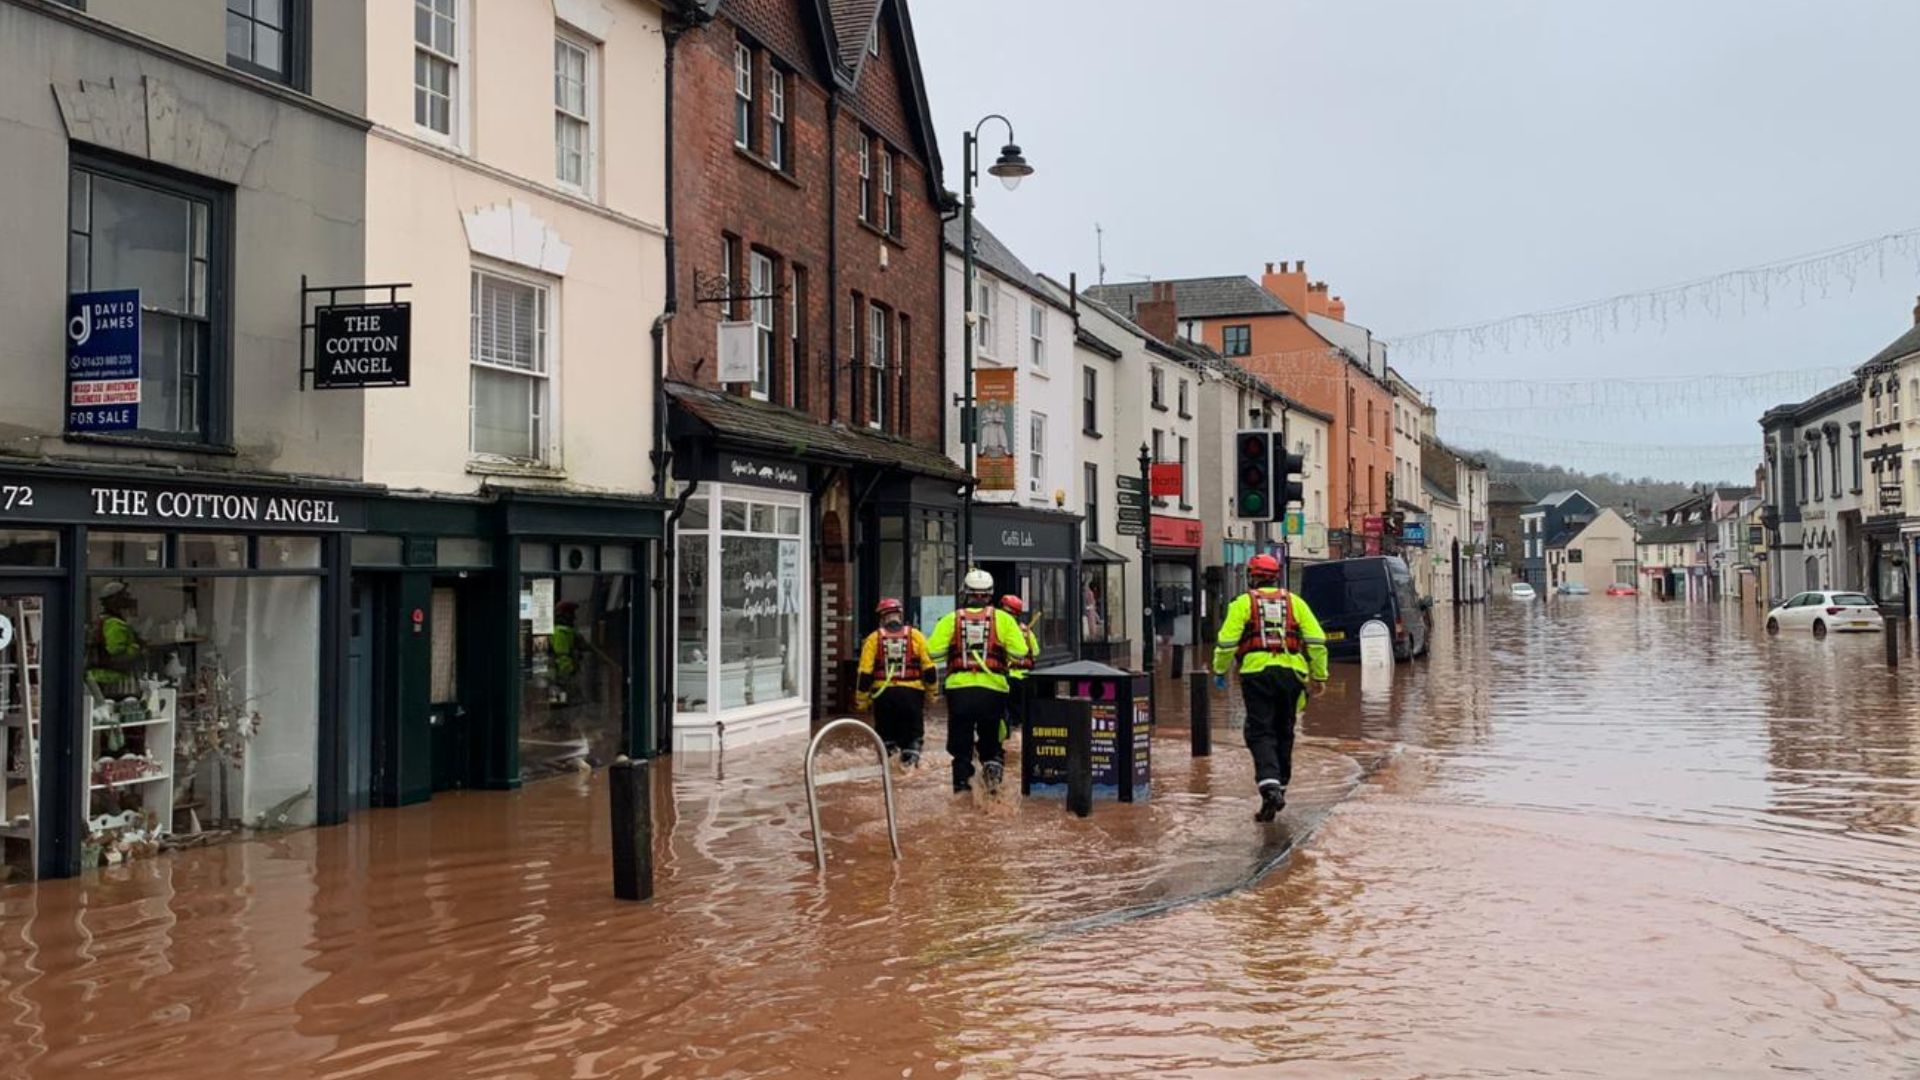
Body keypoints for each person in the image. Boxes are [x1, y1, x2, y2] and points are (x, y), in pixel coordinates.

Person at [1212, 554, 1329, 822]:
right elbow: (1316, 640)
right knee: (1284, 730)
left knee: (1259, 731)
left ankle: (1270, 786)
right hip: (1292, 675)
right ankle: (1279, 788)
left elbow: (1227, 642)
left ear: (1251, 577)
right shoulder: (1295, 602)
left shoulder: (1243, 603)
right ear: (1277, 576)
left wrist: (1220, 669)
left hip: (1256, 673)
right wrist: (1319, 676)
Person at [927, 569, 1032, 794]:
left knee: (961, 745)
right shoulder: (1003, 619)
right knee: (991, 736)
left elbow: (932, 653)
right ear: (990, 594)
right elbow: (1020, 651)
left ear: (966, 593)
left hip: (959, 691)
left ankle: (962, 787)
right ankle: (992, 770)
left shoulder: (951, 619)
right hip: (993, 691)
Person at [854, 598, 936, 767]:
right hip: (912, 696)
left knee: (886, 740)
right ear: (900, 615)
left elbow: (865, 673)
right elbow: (929, 669)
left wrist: (862, 701)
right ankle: (910, 765)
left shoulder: (873, 639)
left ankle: (889, 772)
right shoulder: (916, 636)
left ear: (882, 618)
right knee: (913, 739)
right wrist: (931, 694)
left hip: (884, 696)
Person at [87, 582, 144, 697]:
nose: (128, 600)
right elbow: (117, 655)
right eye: (125, 596)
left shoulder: (104, 620)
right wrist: (137, 648)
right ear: (115, 600)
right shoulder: (114, 624)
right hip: (114, 681)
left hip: (103, 677)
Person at [998, 594, 1041, 740]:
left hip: (1007, 678)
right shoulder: (1026, 632)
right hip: (1025, 679)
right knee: (1022, 717)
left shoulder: (1002, 631)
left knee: (1005, 715)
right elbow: (1035, 652)